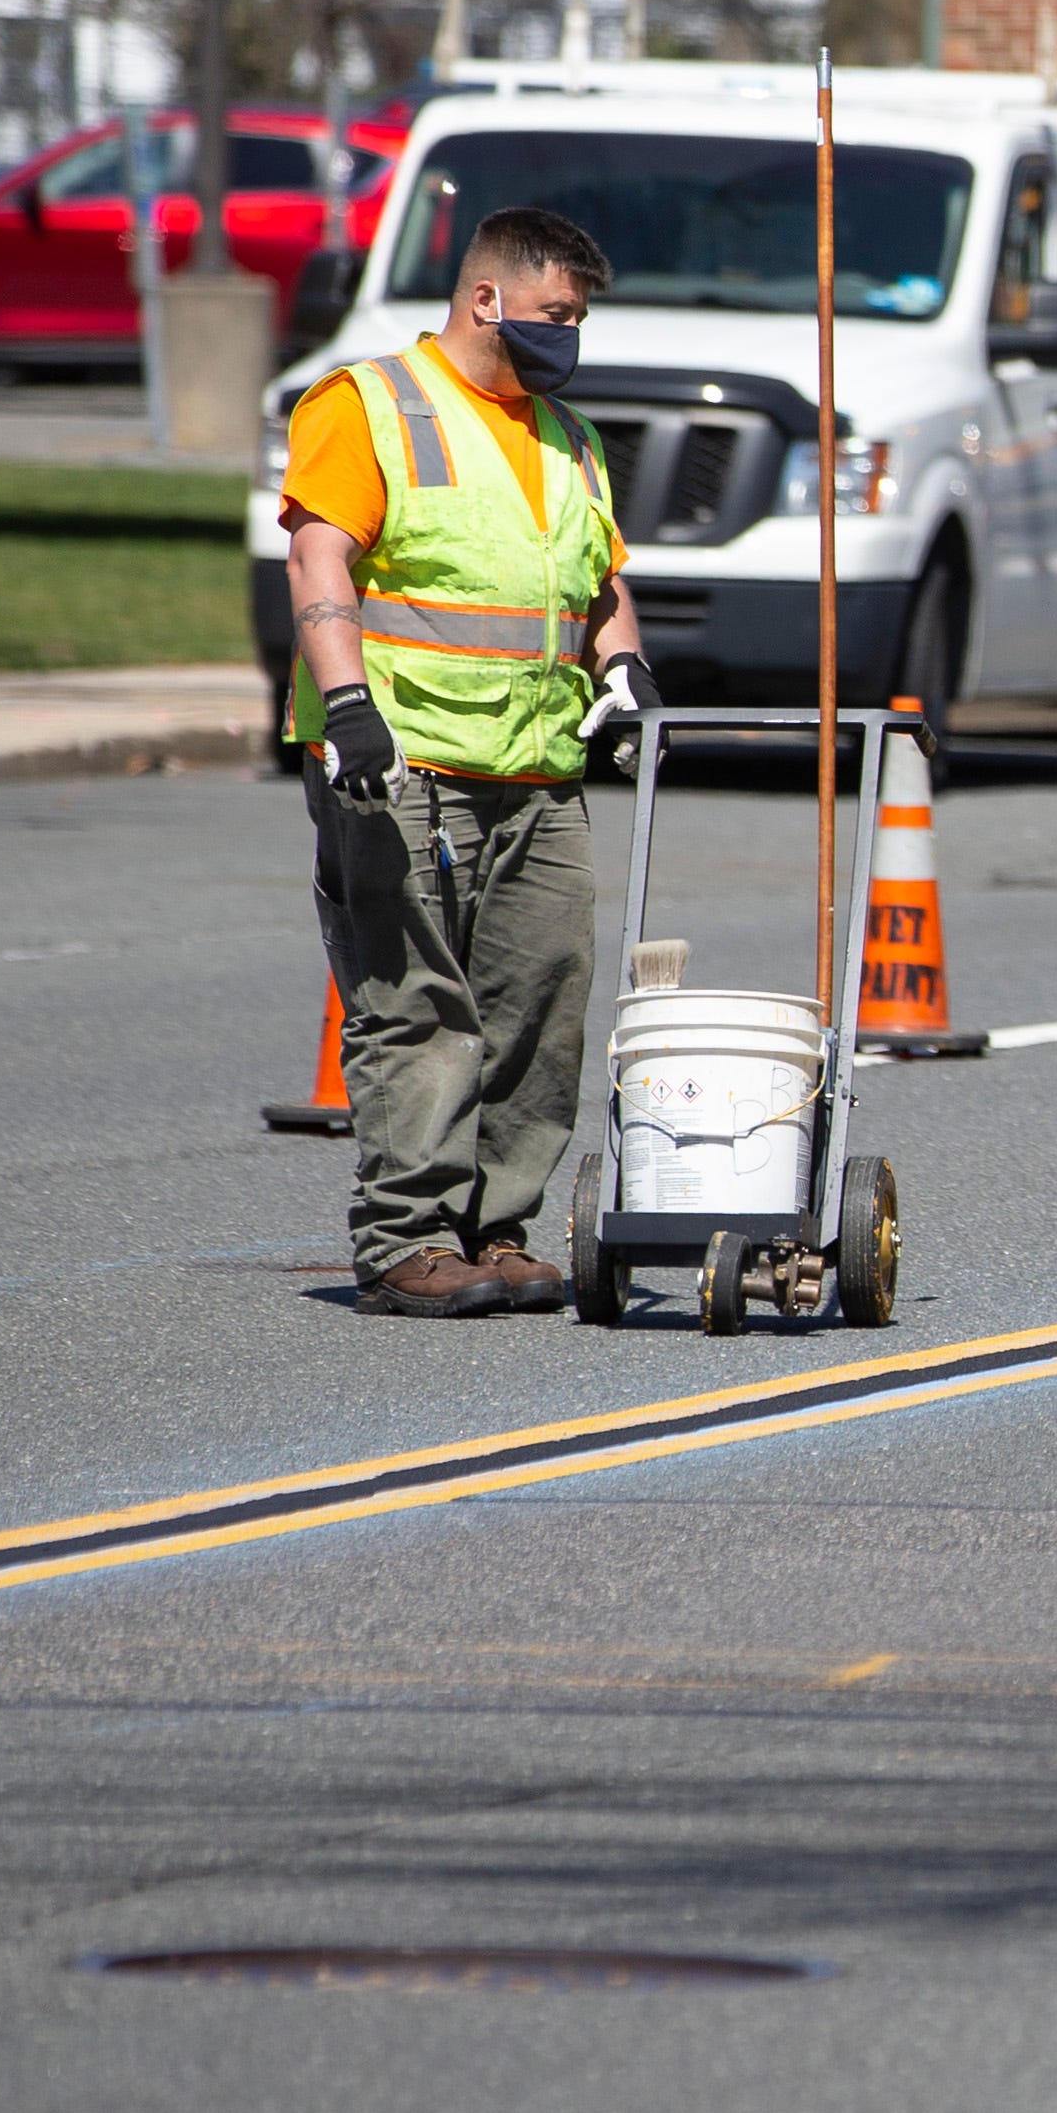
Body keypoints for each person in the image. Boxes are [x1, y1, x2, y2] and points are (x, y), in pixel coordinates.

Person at [277, 205, 653, 1316]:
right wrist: (347, 706)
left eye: (578, 319)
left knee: (541, 1001)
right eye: (555, 313)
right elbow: (318, 555)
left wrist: (624, 668)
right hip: (403, 763)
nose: (568, 336)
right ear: (486, 298)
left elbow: (598, 580)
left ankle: (496, 1229)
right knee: (417, 1005)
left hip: (538, 768)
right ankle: (408, 1243)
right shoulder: (372, 406)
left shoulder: (566, 435)